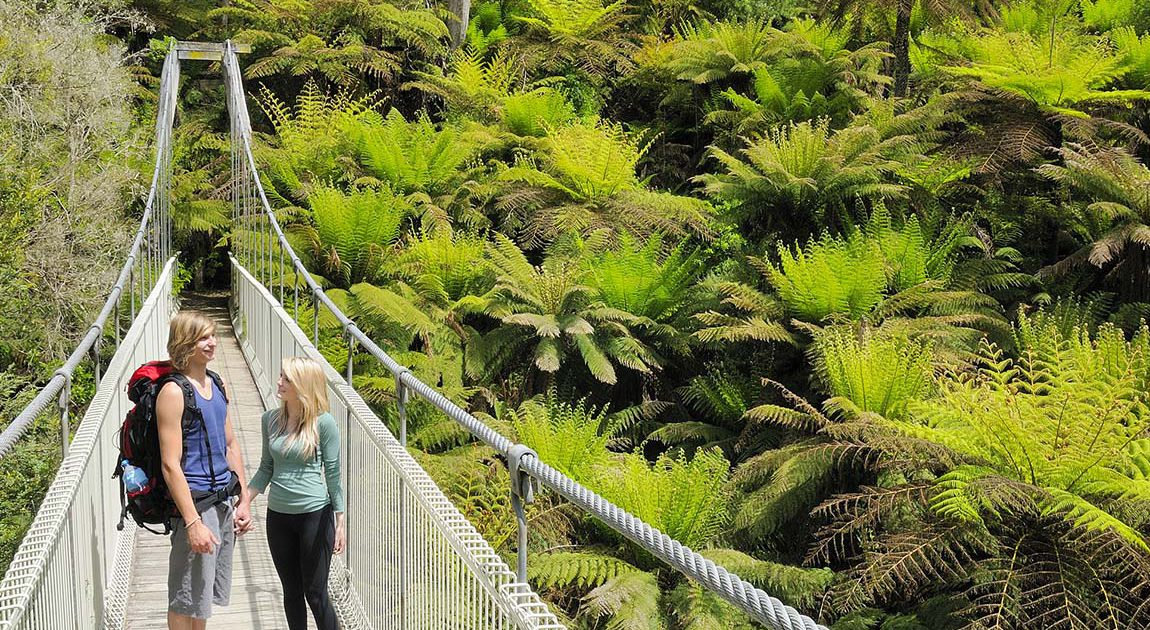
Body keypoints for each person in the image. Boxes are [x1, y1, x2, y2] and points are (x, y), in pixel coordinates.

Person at [156, 311, 253, 630]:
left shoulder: (217, 382)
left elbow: (231, 443)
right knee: (184, 596)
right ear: (186, 343)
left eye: (212, 335)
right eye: (203, 338)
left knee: (202, 596)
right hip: (196, 503)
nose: (212, 342)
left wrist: (244, 499)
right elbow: (170, 464)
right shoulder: (173, 393)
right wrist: (192, 522)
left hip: (223, 499)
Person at [249, 356, 346, 630]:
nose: (279, 382)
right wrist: (244, 501)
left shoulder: (324, 423)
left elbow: (333, 475)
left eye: (287, 379)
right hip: (278, 516)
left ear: (303, 385)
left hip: (314, 516)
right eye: (281, 376)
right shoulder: (270, 420)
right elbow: (265, 468)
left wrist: (340, 521)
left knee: (315, 594)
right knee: (291, 593)